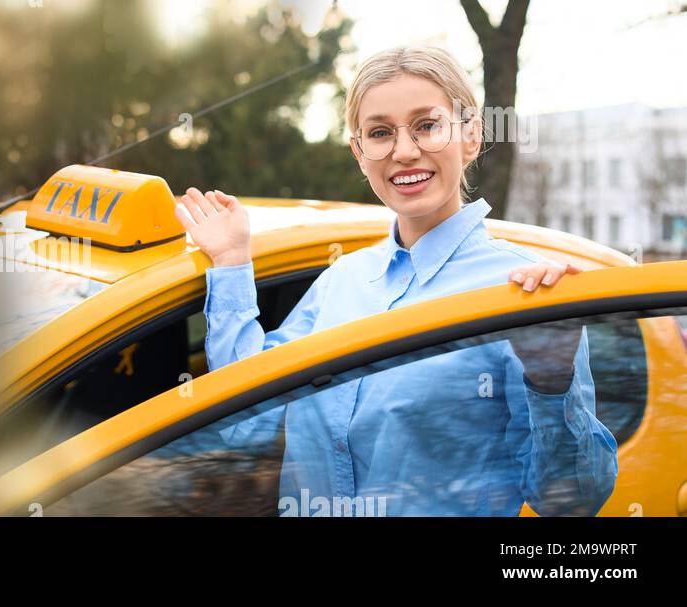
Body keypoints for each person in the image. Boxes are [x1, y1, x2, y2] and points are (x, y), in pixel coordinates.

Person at [174, 45, 618, 516]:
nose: (405, 152)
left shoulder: (527, 291)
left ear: (471, 137)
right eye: (380, 133)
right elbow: (248, 421)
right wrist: (230, 262)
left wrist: (550, 382)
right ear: (360, 153)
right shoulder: (340, 281)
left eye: (427, 125)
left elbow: (569, 502)